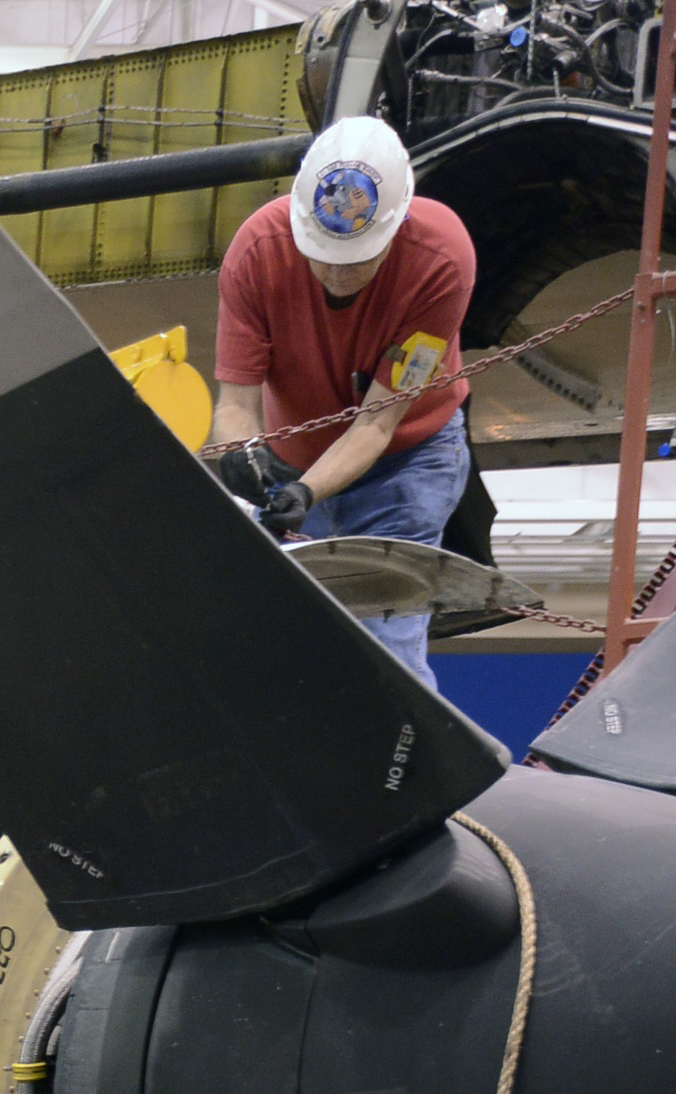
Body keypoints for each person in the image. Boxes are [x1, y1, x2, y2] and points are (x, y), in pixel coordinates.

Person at [208, 114, 476, 684]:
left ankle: (407, 737)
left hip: (405, 460)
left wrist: (306, 492)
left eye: (356, 260)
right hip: (291, 465)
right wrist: (242, 455)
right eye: (320, 253)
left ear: (397, 226)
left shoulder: (443, 260)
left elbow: (376, 425)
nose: (334, 272)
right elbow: (235, 406)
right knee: (300, 650)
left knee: (384, 645)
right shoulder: (256, 252)